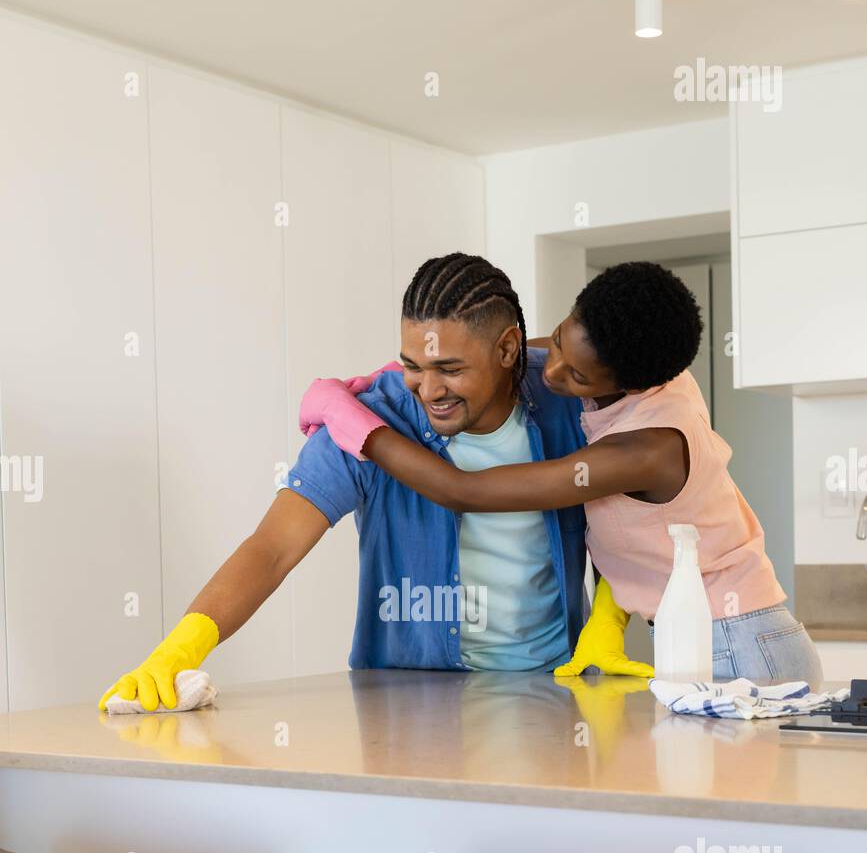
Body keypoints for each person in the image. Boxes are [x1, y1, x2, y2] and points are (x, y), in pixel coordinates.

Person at [99, 254, 641, 713]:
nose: (428, 390)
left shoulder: (569, 401)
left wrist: (607, 619)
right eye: (412, 365)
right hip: (414, 700)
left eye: (449, 368)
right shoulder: (364, 421)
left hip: (553, 689)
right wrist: (181, 648)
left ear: (506, 349)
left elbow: (629, 519)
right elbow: (271, 549)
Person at [303, 261, 822, 686]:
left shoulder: (644, 448)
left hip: (738, 645)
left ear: (629, 382)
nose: (549, 373)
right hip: (714, 633)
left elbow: (463, 491)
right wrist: (404, 372)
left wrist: (356, 424)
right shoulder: (640, 355)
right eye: (560, 343)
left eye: (574, 376)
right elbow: (514, 351)